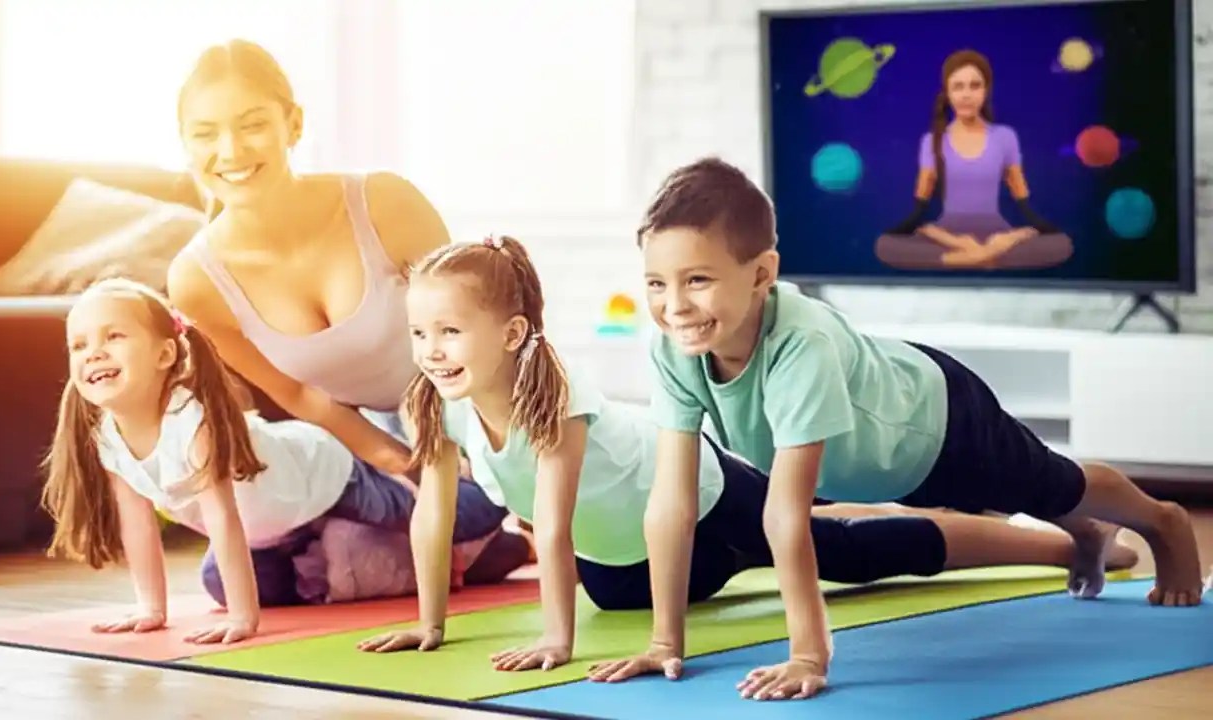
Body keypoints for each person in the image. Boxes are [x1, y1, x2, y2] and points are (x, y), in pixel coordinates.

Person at [353, 235, 1139, 678]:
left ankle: (1059, 539)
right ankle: (788, 534)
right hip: (627, 563)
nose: (432, 351)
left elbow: (550, 528)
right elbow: (434, 513)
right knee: (639, 592)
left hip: (700, 494)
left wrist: (558, 642)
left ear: (513, 334)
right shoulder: (438, 404)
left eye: (450, 333)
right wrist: (430, 625)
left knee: (842, 550)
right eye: (421, 333)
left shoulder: (557, 398)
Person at [633, 156, 1203, 701]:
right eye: (657, 283)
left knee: (1050, 485)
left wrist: (808, 656)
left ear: (762, 274)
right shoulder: (678, 351)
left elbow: (785, 513)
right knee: (1026, 495)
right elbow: (673, 502)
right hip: (886, 466)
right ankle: (1089, 534)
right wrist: (664, 643)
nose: (675, 305)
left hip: (937, 421)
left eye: (697, 280)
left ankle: (1161, 520)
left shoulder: (800, 345)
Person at [162, 39, 529, 581]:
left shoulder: (384, 203)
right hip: (357, 447)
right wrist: (400, 467)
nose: (232, 151)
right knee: (230, 578)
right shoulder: (196, 280)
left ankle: (469, 534)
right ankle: (473, 550)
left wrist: (511, 466)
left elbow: (477, 326)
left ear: (294, 124)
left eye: (252, 124)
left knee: (475, 500)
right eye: (205, 133)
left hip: (463, 415)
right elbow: (299, 395)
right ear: (185, 145)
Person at [40, 279, 527, 644]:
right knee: (217, 582)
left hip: (329, 476)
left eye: (113, 337)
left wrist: (243, 620)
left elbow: (225, 522)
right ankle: (507, 551)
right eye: (79, 344)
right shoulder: (105, 435)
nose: (93, 353)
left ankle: (472, 466)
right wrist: (151, 608)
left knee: (454, 518)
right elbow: (137, 522)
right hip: (278, 526)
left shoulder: (192, 424)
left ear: (167, 353)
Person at [877, 48, 1072, 271]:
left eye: (975, 85)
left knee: (1061, 244)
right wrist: (953, 240)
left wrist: (1012, 237)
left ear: (986, 90)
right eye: (958, 87)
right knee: (885, 245)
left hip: (998, 233)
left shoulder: (1005, 136)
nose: (966, 94)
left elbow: (1025, 207)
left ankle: (968, 258)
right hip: (948, 236)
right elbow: (918, 211)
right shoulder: (931, 140)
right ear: (947, 93)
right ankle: (985, 257)